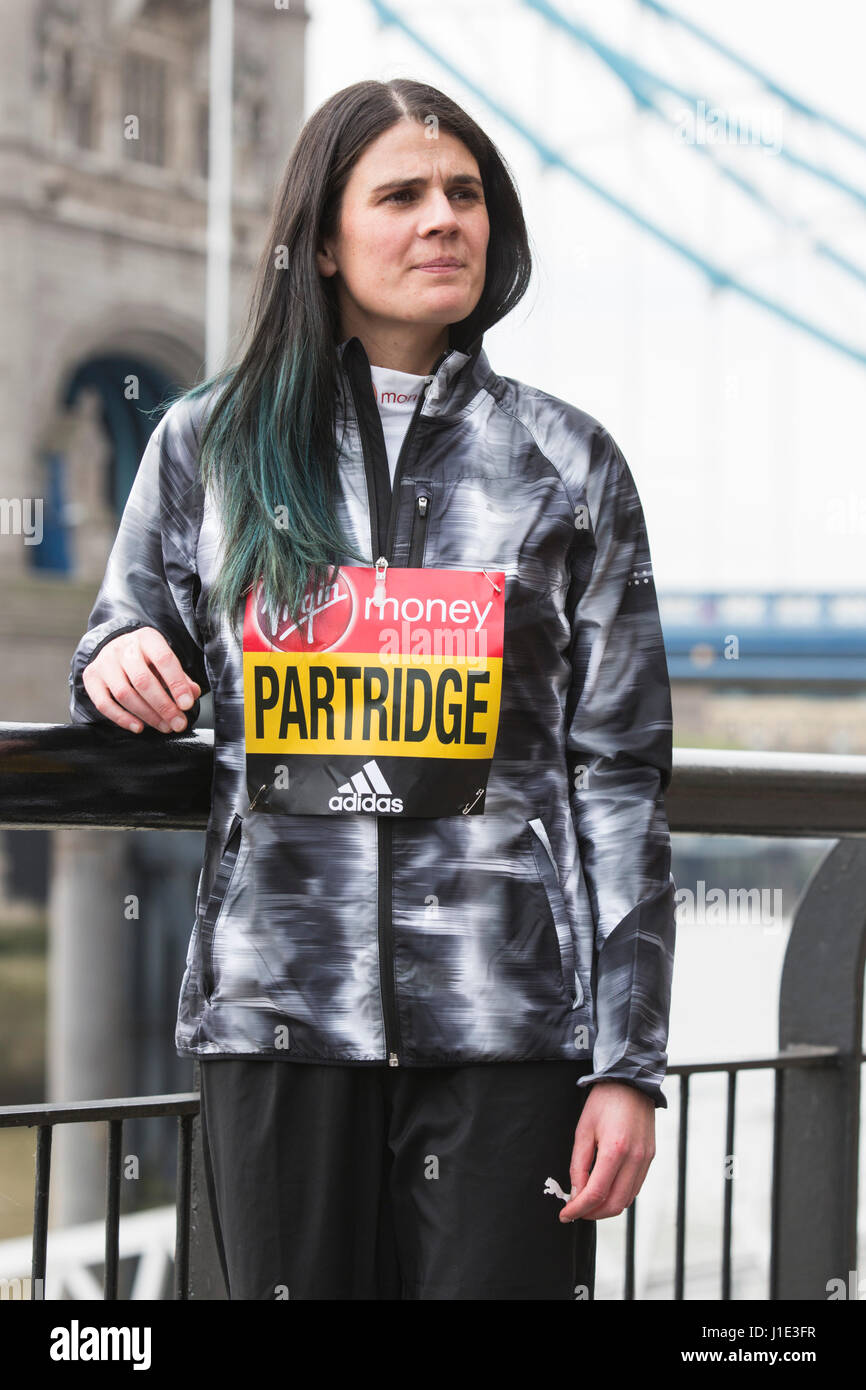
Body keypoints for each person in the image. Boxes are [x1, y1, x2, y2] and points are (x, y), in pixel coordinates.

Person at [68, 78, 677, 1301]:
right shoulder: (208, 443)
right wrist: (113, 661)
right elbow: (123, 635)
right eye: (399, 194)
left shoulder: (570, 462)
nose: (441, 218)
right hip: (278, 1016)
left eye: (464, 194)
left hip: (507, 1033)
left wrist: (627, 1063)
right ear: (324, 241)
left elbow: (618, 773)